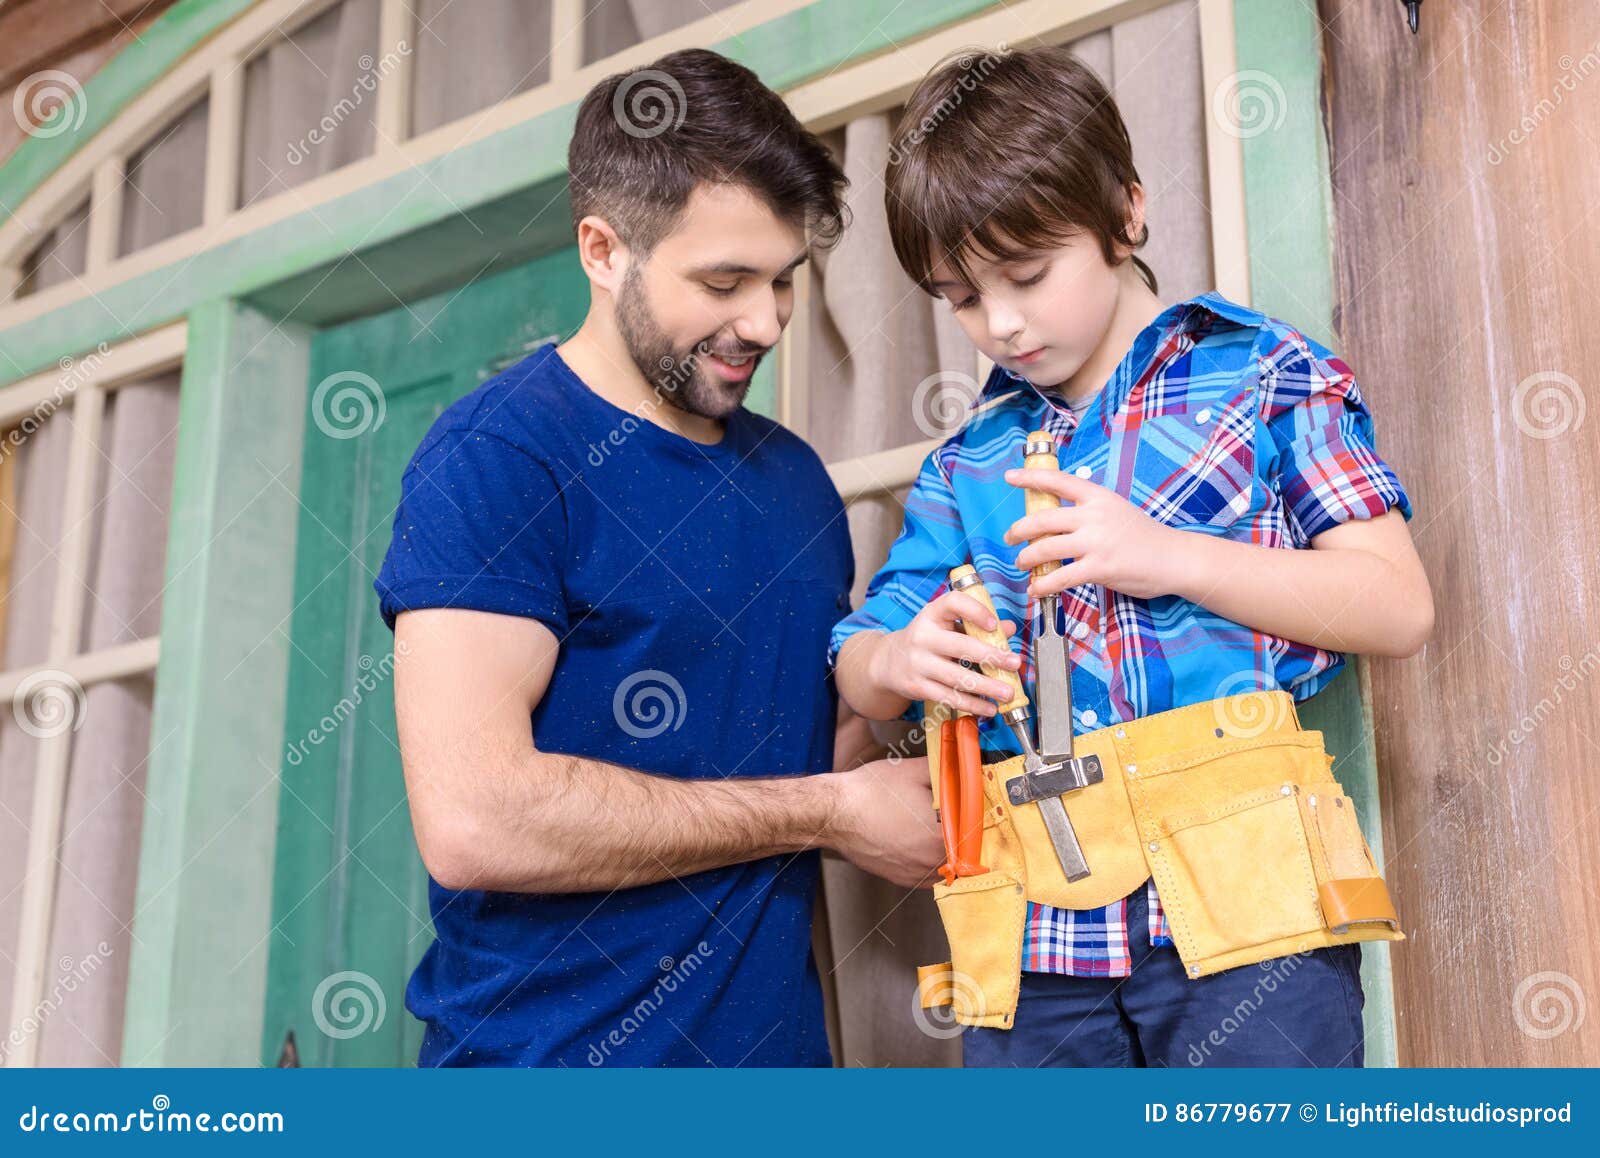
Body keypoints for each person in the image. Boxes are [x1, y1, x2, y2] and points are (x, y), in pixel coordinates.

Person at [831, 43, 1433, 1067]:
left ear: (1126, 213)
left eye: (1026, 274)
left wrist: (1164, 555)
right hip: (1034, 935)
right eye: (960, 299)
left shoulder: (1263, 373)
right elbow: (861, 659)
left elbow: (1396, 607)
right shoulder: (965, 460)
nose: (1001, 324)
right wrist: (895, 661)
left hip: (1254, 918)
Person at [375, 48, 942, 1068]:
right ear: (603, 248)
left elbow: (811, 759)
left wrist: (914, 678)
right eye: (723, 281)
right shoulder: (500, 458)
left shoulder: (796, 484)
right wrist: (828, 811)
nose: (763, 322)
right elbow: (475, 820)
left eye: (782, 279)